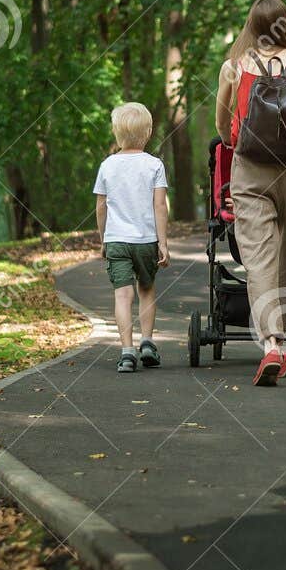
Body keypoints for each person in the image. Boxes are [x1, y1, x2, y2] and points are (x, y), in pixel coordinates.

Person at [215, 0, 286, 386]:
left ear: (251, 27)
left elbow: (222, 123)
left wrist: (235, 141)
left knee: (258, 258)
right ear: (285, 23)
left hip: (252, 171)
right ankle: (285, 329)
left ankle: (271, 343)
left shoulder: (233, 67)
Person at [93, 102, 171, 374]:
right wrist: (162, 242)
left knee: (122, 296)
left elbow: (101, 207)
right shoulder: (154, 165)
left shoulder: (107, 165)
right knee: (146, 289)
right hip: (146, 240)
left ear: (116, 134)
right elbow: (160, 206)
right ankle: (147, 342)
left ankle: (127, 352)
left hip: (117, 240)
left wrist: (104, 239)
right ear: (148, 133)